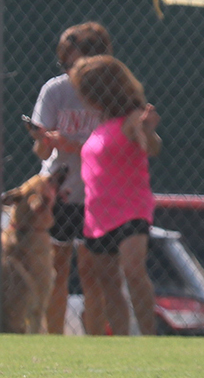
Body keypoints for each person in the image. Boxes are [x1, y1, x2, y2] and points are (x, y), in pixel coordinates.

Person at [71, 54, 162, 336]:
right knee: (108, 282)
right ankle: (122, 343)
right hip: (98, 216)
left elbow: (151, 146)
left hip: (131, 210)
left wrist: (148, 132)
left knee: (133, 271)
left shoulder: (133, 118)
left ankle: (150, 339)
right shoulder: (100, 125)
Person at [28, 21, 111, 334]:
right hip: (60, 192)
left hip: (95, 193)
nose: (72, 71)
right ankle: (54, 340)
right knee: (56, 269)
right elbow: (41, 152)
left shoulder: (110, 94)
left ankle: (95, 342)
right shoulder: (55, 90)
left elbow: (112, 147)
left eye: (78, 63)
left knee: (92, 271)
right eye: (67, 64)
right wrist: (44, 141)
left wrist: (72, 144)